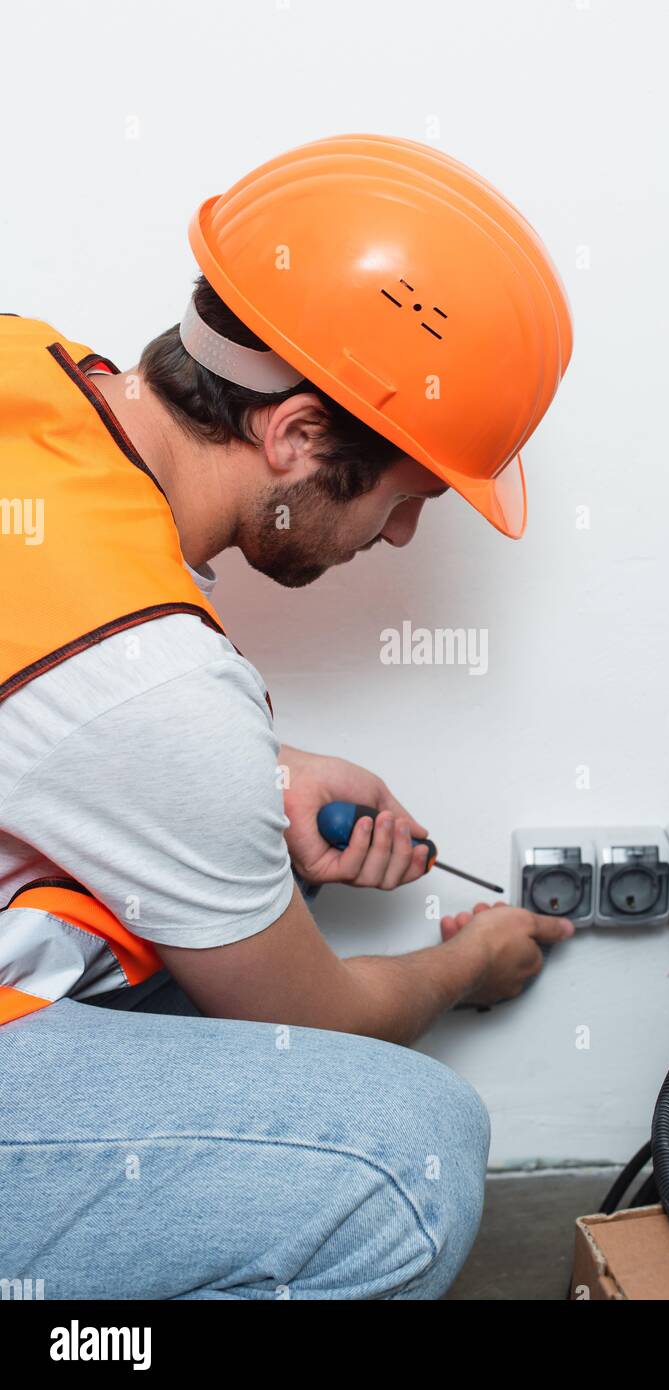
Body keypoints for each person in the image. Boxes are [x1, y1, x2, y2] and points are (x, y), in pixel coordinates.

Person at [0, 134, 573, 1299]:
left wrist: (256, 771)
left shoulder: (31, 370)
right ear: (299, 437)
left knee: (254, 867)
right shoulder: (152, 683)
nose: (403, 534)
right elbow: (325, 1022)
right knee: (405, 1162)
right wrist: (468, 969)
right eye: (407, 497)